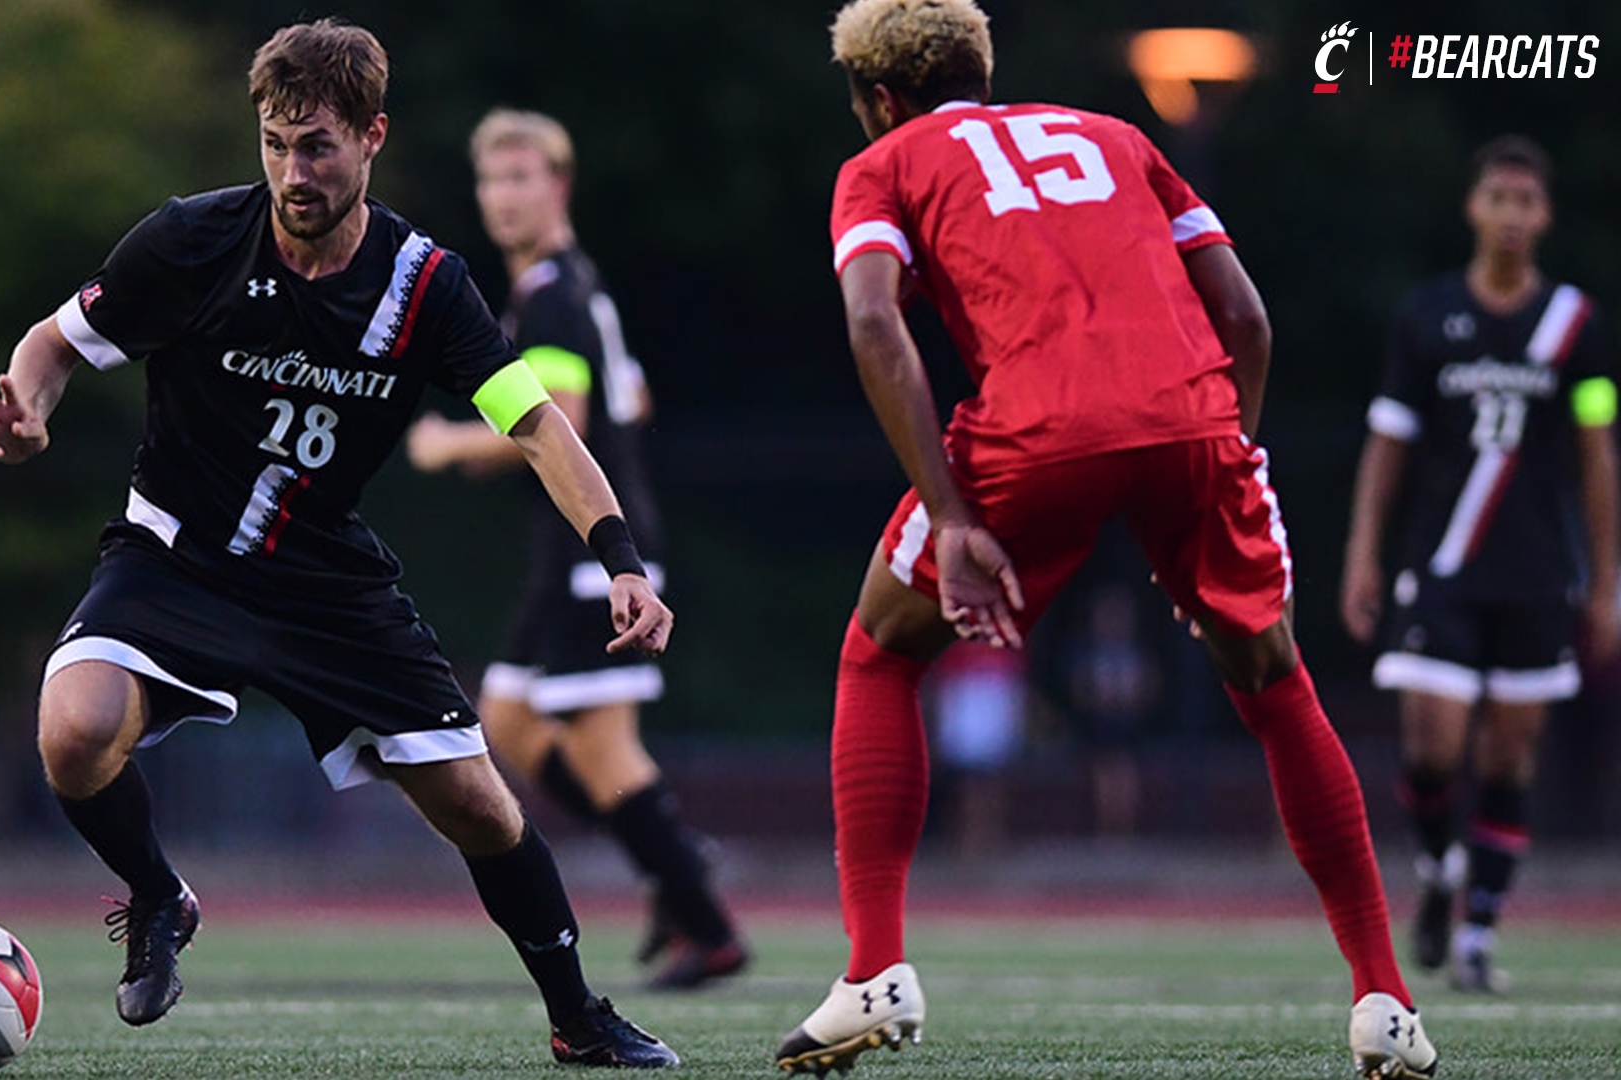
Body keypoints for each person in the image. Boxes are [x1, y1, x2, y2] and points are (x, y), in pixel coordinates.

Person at [0, 20, 679, 1068]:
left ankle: (578, 1016)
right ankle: (161, 899)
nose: (292, 172)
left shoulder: (424, 285)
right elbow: (53, 345)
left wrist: (619, 556)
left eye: (318, 147)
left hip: (323, 581)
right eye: (274, 143)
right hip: (173, 557)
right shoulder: (191, 240)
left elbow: (533, 423)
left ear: (372, 137)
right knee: (72, 731)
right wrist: (25, 411)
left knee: (482, 808)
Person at [772, 2, 1436, 1078]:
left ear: (880, 97)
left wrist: (948, 511)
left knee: (880, 652)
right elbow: (1248, 319)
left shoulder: (886, 162)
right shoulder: (1115, 136)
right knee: (1277, 686)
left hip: (1037, 425)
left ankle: (875, 968)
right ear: (979, 69)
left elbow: (871, 320)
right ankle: (1385, 1001)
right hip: (1195, 416)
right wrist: (1223, 468)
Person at [405, 108, 748, 991]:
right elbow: (630, 398)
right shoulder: (568, 286)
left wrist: (450, 442)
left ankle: (697, 908)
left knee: (601, 751)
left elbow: (566, 420)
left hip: (593, 554)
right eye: (492, 180)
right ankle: (671, 855)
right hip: (575, 549)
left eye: (522, 178)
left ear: (558, 187)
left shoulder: (554, 292)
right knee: (510, 722)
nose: (504, 196)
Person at [1340, 134, 1619, 994]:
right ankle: (1436, 874)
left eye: (1525, 202)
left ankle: (1478, 937)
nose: (1510, 215)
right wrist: (1363, 553)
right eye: (1497, 198)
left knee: (1509, 755)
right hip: (1444, 564)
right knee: (1431, 738)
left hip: (1538, 571)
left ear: (1545, 217)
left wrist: (1607, 580)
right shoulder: (1427, 317)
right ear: (1474, 208)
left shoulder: (1576, 325)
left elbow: (1595, 448)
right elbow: (1389, 441)